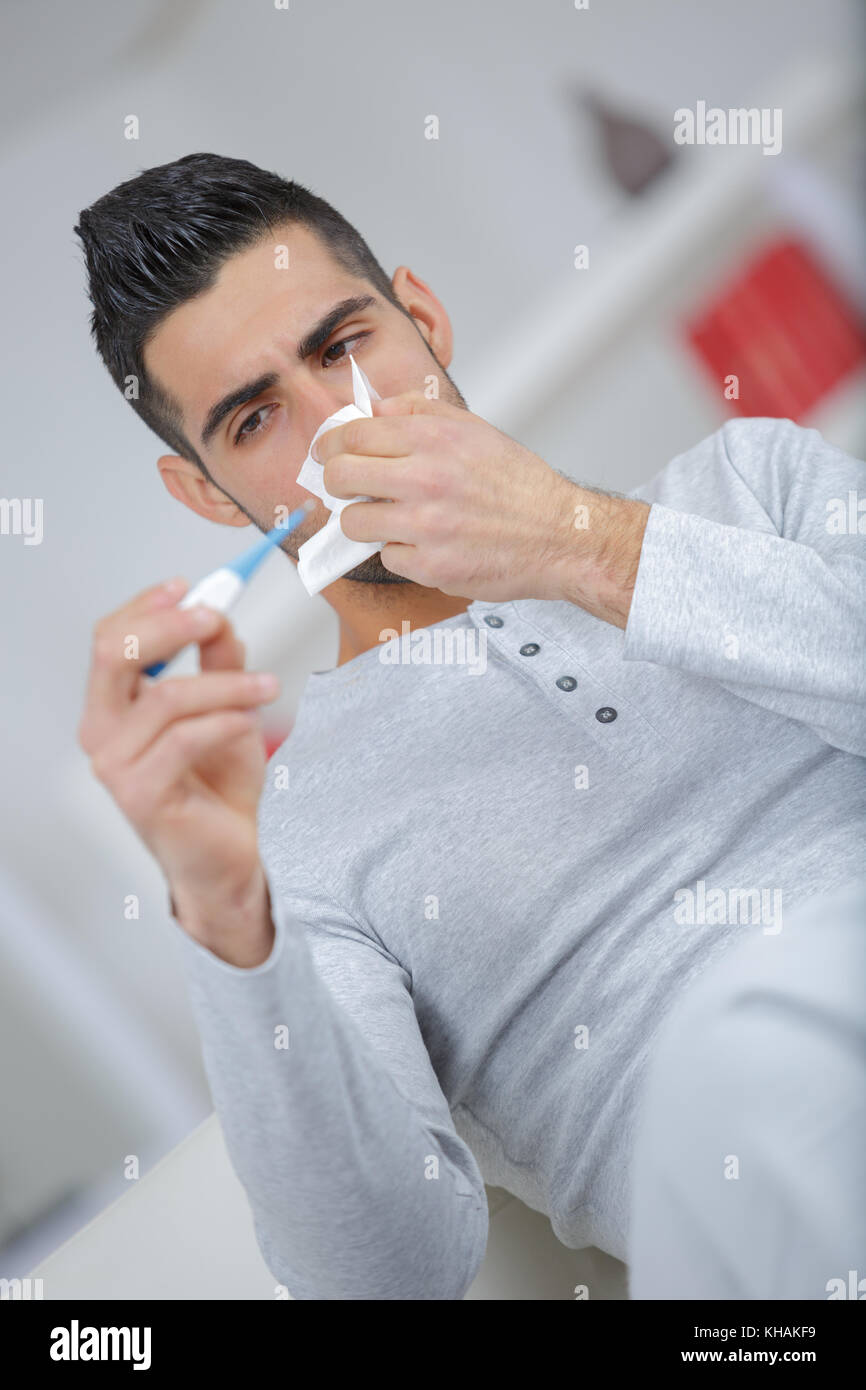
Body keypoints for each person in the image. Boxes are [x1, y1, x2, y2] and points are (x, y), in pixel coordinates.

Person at [74, 153, 865, 1299]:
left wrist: (581, 542)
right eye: (254, 420)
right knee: (744, 1058)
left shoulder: (752, 485)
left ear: (422, 318)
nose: (332, 431)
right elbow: (382, 1280)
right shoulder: (292, 843)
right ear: (207, 494)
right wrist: (230, 920)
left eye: (342, 346)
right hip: (763, 1236)